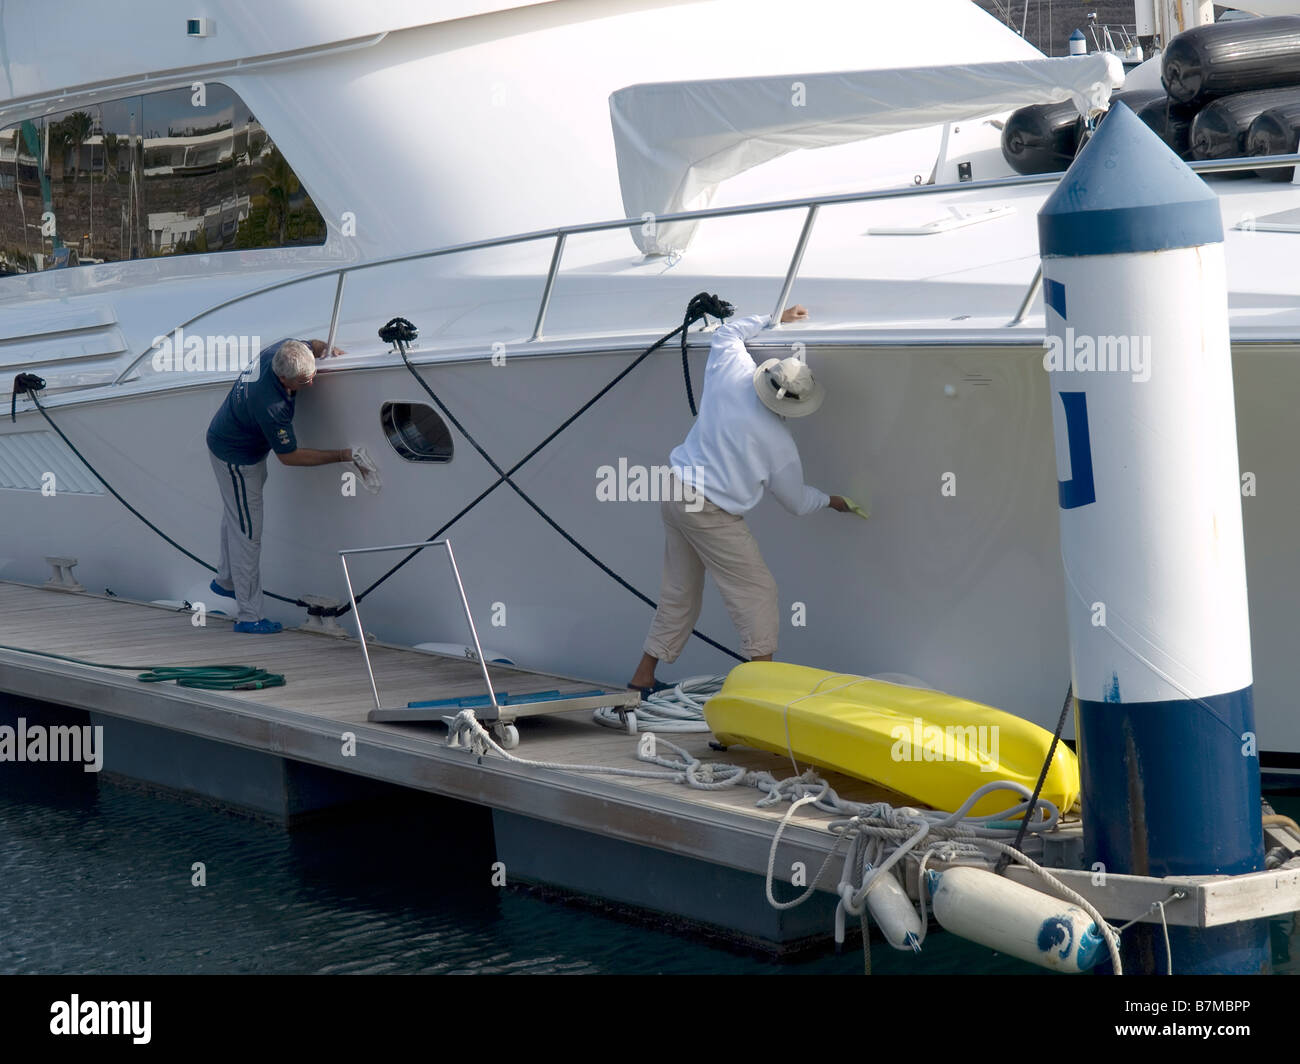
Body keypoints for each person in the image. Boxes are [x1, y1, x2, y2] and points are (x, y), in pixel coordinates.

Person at [629, 304, 849, 694]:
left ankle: (642, 676)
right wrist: (832, 500)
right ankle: (760, 691)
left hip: (674, 490)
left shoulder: (732, 373)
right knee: (756, 590)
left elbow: (726, 334)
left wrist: (775, 315)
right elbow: (797, 502)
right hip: (710, 512)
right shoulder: (779, 443)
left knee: (680, 590)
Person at [205, 337, 369, 633]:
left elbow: (314, 343)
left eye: (311, 375)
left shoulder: (285, 349)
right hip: (237, 458)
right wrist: (342, 455)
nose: (310, 383)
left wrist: (324, 351)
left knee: (237, 516)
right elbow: (290, 457)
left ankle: (227, 581)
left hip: (237, 443)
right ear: (282, 378)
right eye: (303, 382)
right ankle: (249, 616)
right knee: (248, 533)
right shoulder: (271, 403)